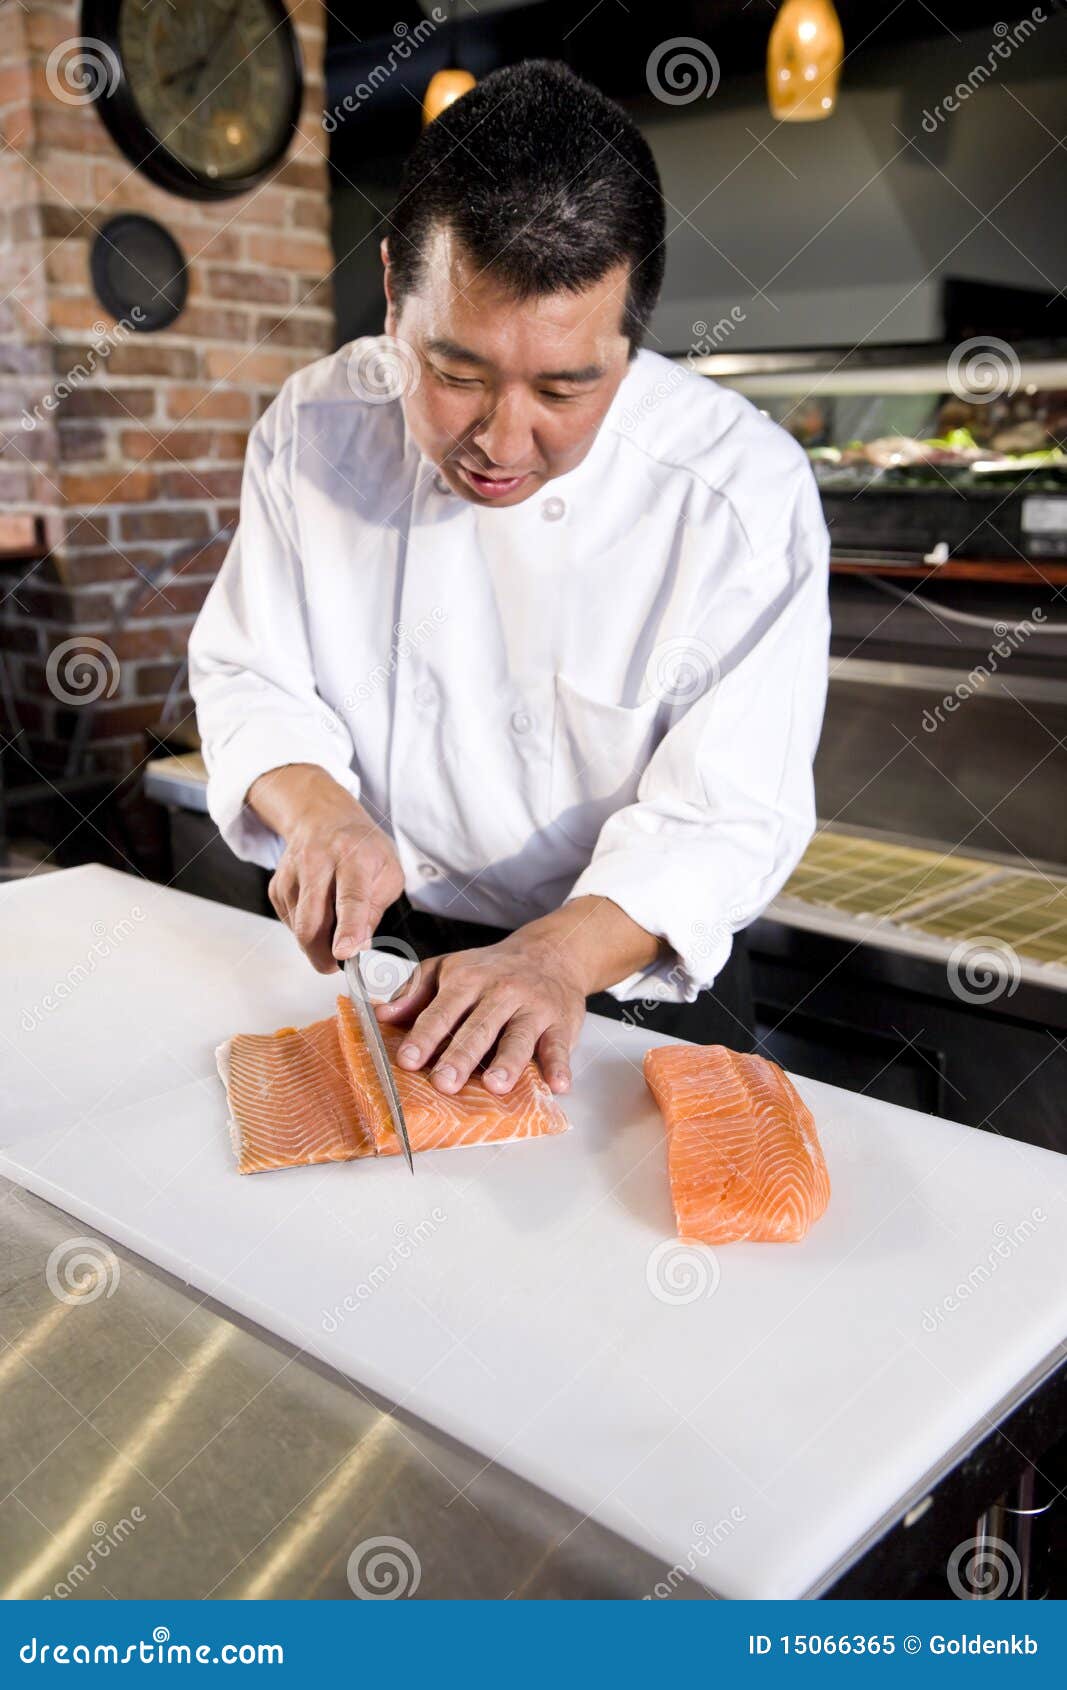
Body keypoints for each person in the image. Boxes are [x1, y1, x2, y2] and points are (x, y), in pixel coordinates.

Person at [188, 59, 829, 1104]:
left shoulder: (735, 494)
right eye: (455, 373)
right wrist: (317, 811)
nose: (500, 439)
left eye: (564, 387)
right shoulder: (313, 427)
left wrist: (552, 960)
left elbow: (727, 813)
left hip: (620, 973)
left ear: (631, 342)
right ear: (395, 285)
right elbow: (249, 671)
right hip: (390, 957)